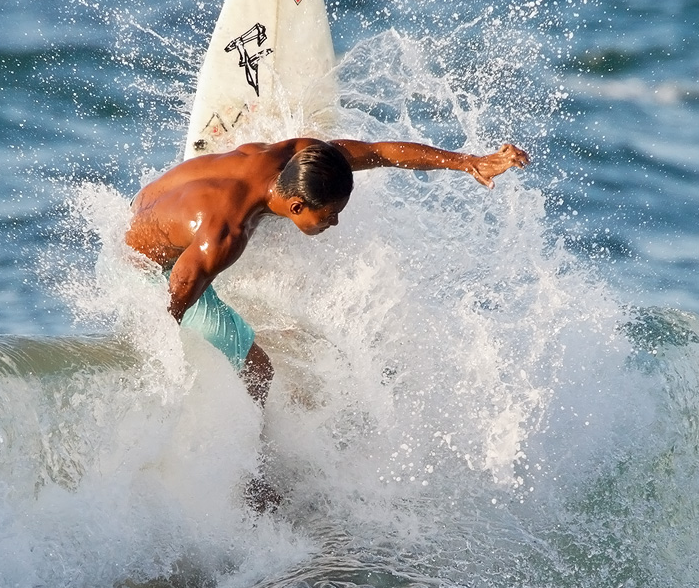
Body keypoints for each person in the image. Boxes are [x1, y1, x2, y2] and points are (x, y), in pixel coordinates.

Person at [125, 137, 529, 404]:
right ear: (297, 206)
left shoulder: (300, 157)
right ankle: (254, 480)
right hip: (145, 268)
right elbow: (168, 307)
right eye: (330, 215)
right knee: (259, 371)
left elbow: (379, 153)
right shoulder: (225, 236)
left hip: (146, 205)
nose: (333, 223)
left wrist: (467, 162)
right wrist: (161, 376)